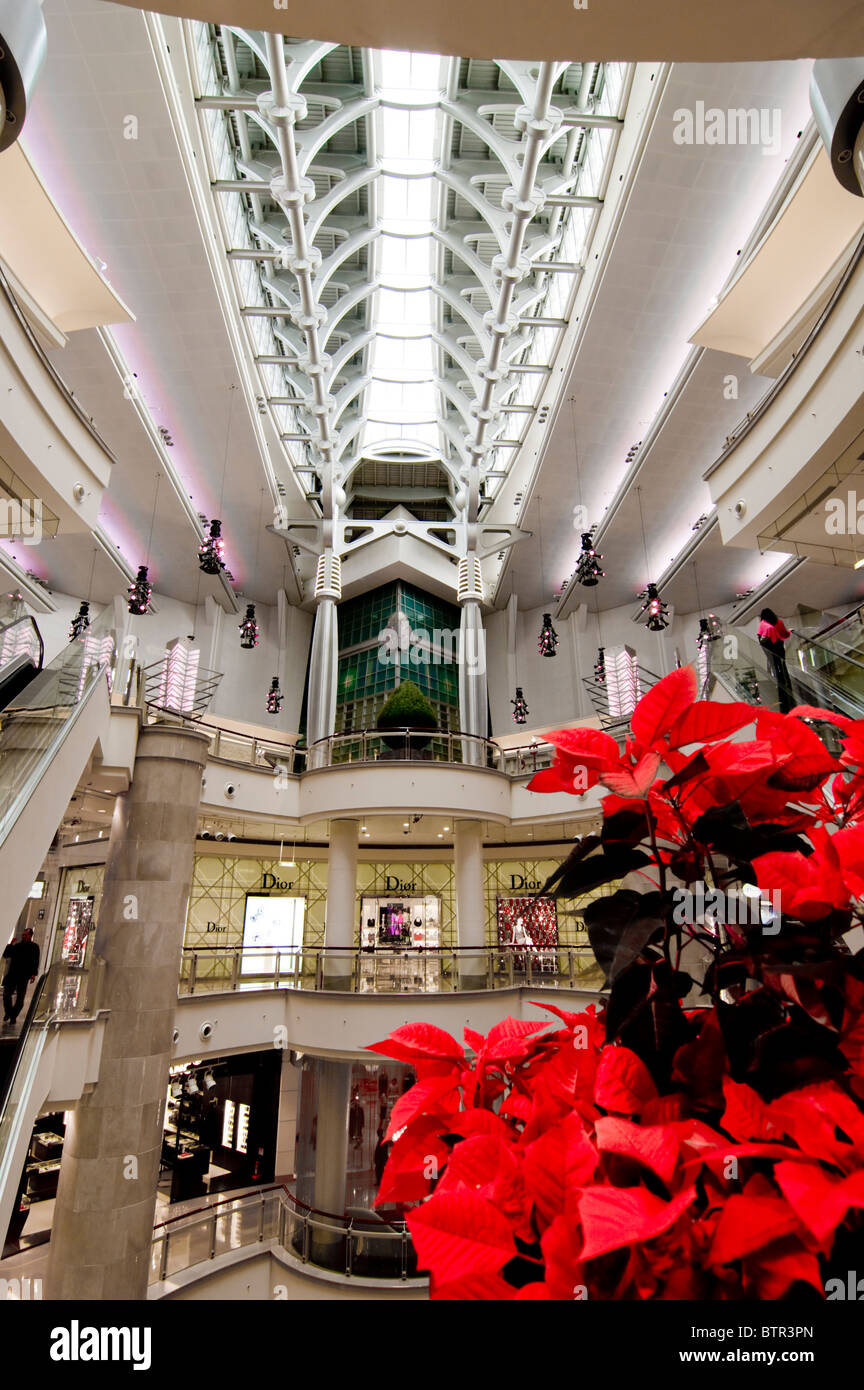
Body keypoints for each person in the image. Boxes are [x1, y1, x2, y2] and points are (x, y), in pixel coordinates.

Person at [757, 607, 794, 713]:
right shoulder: (778, 622)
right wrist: (789, 632)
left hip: (769, 649)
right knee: (783, 665)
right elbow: (784, 635)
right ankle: (787, 683)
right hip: (779, 647)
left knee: (776, 667)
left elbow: (760, 638)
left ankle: (779, 683)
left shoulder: (762, 625)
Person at [2, 928, 40, 1024]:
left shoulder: (34, 947)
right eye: (23, 935)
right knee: (7, 995)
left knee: (20, 999)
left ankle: (13, 1015)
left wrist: (33, 974)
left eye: (26, 935)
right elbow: (6, 954)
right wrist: (11, 944)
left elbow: (35, 961)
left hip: (23, 976)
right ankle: (9, 1012)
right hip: (12, 974)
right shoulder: (17, 946)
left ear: (30, 936)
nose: (24, 936)